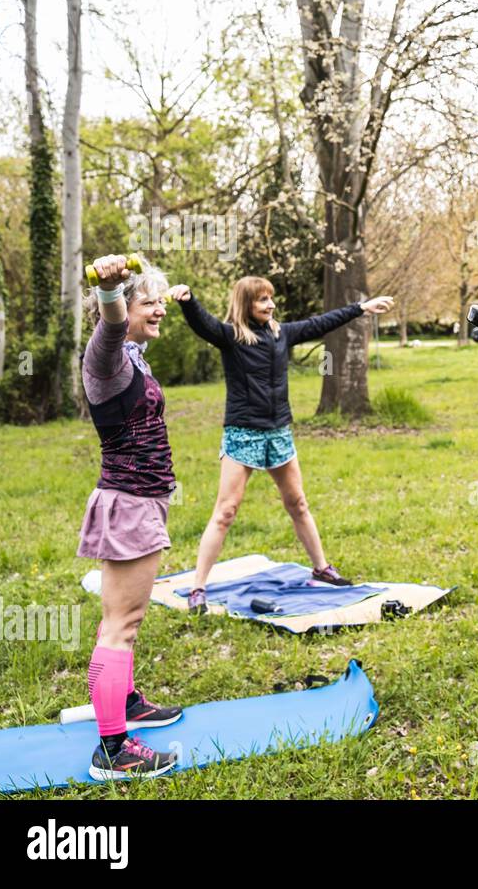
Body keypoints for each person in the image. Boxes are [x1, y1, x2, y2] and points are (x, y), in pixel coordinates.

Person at [168, 278, 393, 611]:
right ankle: (198, 588)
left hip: (278, 431)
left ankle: (321, 568)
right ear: (246, 304)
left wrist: (361, 308)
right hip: (243, 431)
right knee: (226, 511)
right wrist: (188, 300)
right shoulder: (230, 337)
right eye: (262, 300)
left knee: (298, 503)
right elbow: (204, 324)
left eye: (271, 299)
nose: (270, 305)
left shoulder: (280, 333)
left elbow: (321, 323)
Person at [79, 254, 185, 780]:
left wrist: (168, 294)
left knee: (121, 621)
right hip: (128, 504)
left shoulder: (134, 356)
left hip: (141, 501)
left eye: (161, 300)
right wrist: (112, 288)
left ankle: (127, 701)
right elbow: (113, 323)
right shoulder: (107, 355)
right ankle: (114, 751)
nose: (159, 309)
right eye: (151, 301)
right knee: (122, 625)